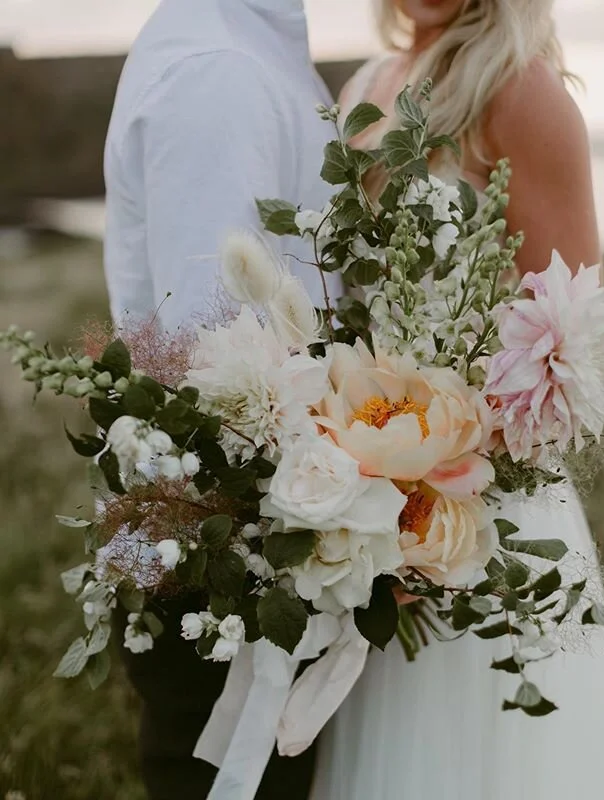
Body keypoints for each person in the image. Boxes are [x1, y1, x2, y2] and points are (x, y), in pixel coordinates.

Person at [310, 1, 604, 798]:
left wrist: (438, 466)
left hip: (481, 514)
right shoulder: (369, 80)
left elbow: (572, 341)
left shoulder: (521, 92)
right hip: (369, 501)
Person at [103, 1, 341, 798]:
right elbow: (226, 382)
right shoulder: (222, 74)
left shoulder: (256, 52)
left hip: (250, 552)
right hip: (228, 570)